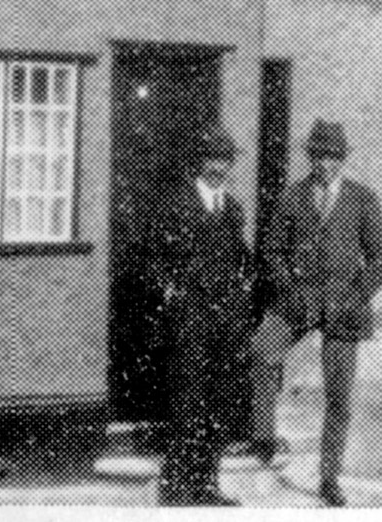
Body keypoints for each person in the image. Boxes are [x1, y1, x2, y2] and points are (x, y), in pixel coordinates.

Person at [246, 119, 382, 508]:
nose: (324, 164)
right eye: (317, 156)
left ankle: (329, 477)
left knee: (339, 395)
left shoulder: (364, 199)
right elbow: (272, 252)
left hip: (345, 305)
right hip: (300, 298)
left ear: (343, 159)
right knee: (261, 352)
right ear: (309, 156)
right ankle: (263, 438)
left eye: (332, 157)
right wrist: (288, 288)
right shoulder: (292, 196)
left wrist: (358, 295)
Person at [151, 124, 253, 506]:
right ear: (201, 162)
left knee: (218, 400)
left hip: (225, 320)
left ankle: (207, 484)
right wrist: (169, 291)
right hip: (190, 316)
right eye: (213, 159)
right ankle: (175, 485)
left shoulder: (234, 208)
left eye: (225, 161)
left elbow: (242, 259)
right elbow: (154, 256)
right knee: (188, 400)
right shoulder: (176, 204)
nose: (219, 168)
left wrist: (243, 290)